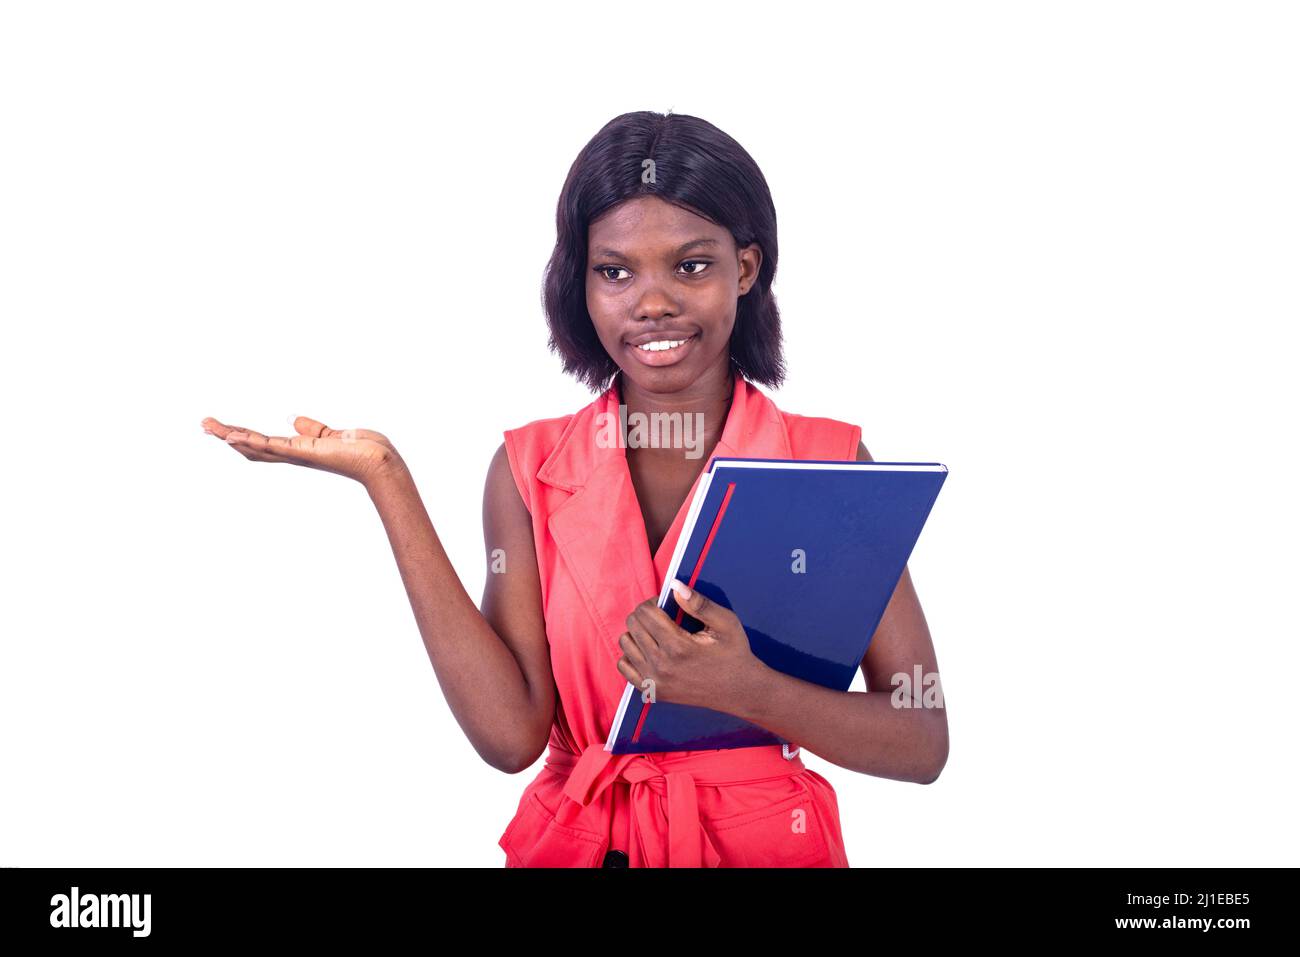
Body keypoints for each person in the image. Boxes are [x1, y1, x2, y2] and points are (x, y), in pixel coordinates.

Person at [201, 110, 947, 867]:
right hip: (584, 845)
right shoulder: (529, 470)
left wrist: (746, 688)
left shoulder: (828, 463)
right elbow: (510, 736)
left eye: (691, 265)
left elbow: (921, 737)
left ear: (746, 269)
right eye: (615, 270)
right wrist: (386, 479)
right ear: (580, 282)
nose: (651, 302)